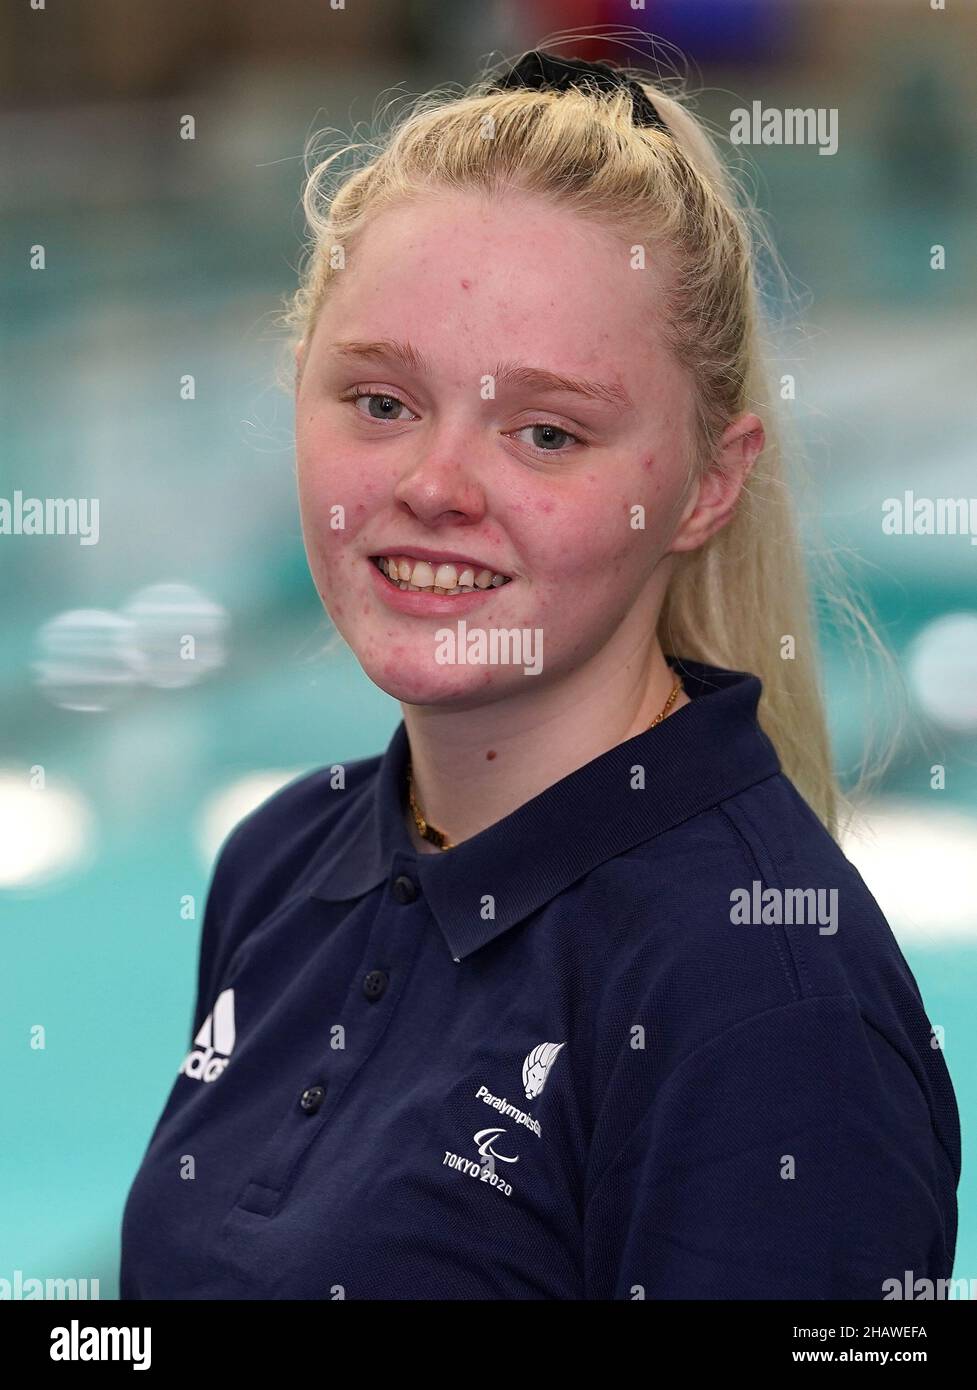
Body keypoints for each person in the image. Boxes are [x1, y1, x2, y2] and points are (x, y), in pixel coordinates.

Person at [119, 47, 960, 1300]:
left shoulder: (770, 1014)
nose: (433, 485)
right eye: (381, 400)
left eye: (546, 431)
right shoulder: (284, 860)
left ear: (706, 483)